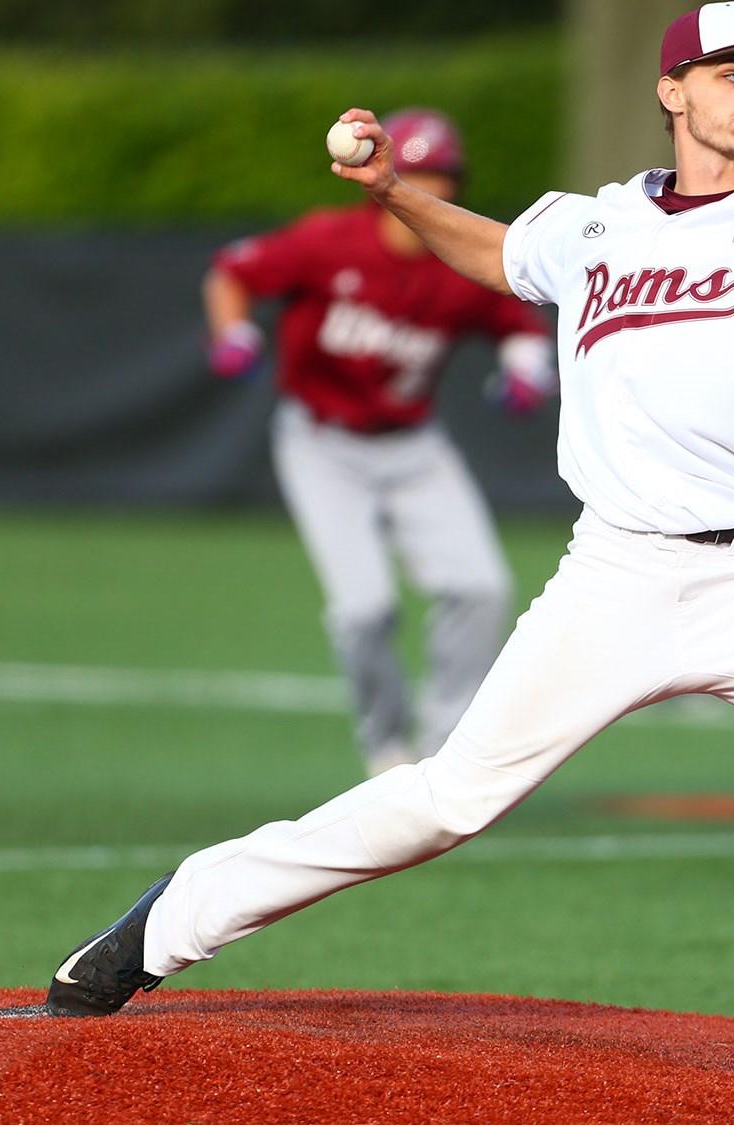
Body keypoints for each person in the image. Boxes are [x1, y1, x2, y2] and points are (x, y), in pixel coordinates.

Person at [48, 5, 734, 1113]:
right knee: (446, 803)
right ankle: (169, 922)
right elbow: (490, 251)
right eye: (732, 73)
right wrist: (392, 189)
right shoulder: (588, 227)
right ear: (672, 90)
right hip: (615, 576)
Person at [201, 108, 557, 779]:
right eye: (418, 171)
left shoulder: (459, 255)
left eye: (442, 175)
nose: (432, 187)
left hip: (415, 446)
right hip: (321, 443)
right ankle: (386, 746)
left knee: (481, 588)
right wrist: (233, 333)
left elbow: (518, 318)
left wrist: (525, 368)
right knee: (363, 607)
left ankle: (446, 753)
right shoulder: (328, 240)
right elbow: (232, 272)